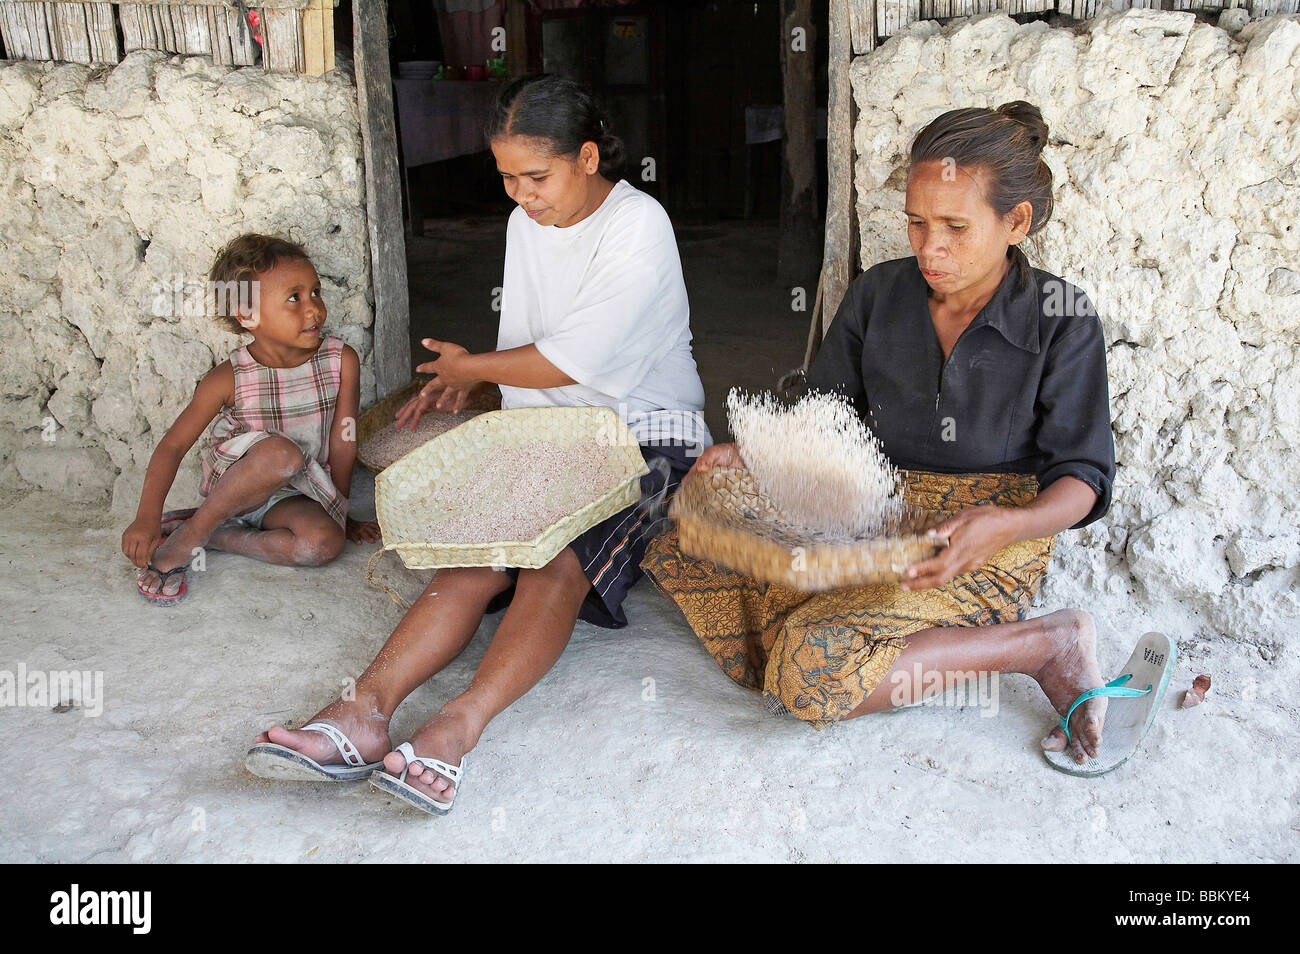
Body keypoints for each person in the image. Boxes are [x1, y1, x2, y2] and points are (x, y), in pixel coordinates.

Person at [247, 74, 712, 813]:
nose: (522, 193)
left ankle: (455, 727)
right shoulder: (526, 224)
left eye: (537, 175)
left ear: (589, 157)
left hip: (647, 437)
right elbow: (534, 352)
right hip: (548, 433)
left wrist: (473, 368)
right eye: (506, 178)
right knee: (477, 549)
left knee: (553, 560)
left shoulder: (638, 225)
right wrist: (478, 384)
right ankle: (364, 709)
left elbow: (573, 360)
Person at [643, 102, 1119, 767]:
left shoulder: (1060, 318)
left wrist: (1008, 526)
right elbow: (825, 414)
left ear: (1016, 221)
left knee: (808, 671)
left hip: (987, 532)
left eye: (955, 227)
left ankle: (1042, 644)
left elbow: (1084, 477)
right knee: (688, 540)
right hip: (878, 510)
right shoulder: (878, 294)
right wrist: (756, 455)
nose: (930, 248)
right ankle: (877, 624)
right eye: (917, 224)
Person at [123, 234, 380, 606]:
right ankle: (193, 534)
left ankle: (212, 533)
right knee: (280, 454)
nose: (314, 309)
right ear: (247, 315)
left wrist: (340, 509)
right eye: (294, 298)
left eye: (315, 292)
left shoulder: (341, 360)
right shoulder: (229, 378)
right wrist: (146, 517)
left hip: (295, 492)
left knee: (324, 544)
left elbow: (344, 438)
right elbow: (173, 445)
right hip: (238, 488)